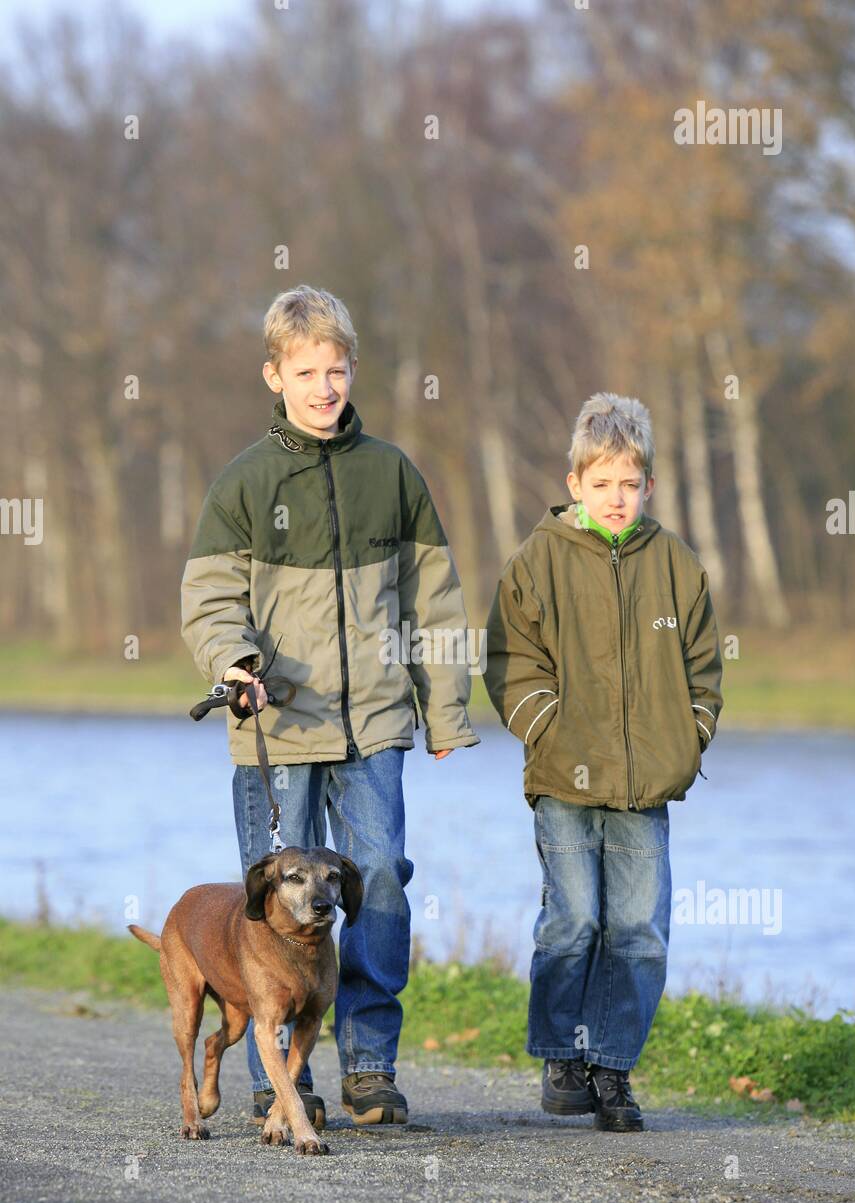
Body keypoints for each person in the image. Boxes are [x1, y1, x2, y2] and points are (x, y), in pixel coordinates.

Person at [180, 284, 478, 1128]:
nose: (323, 386)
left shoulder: (392, 473)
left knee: (378, 878)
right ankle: (277, 1077)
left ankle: (370, 1065)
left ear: (352, 371)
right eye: (305, 371)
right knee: (273, 908)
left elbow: (438, 603)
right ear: (273, 375)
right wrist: (233, 661)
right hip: (276, 727)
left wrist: (446, 711)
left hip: (375, 726)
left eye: (336, 369)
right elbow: (208, 599)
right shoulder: (243, 482)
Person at [483, 392, 723, 1131]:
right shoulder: (537, 560)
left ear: (647, 485)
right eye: (601, 483)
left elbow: (705, 666)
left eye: (629, 483)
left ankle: (612, 1068)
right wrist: (546, 728)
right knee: (576, 919)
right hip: (563, 778)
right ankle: (562, 1055)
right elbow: (508, 662)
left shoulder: (676, 565)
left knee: (639, 929)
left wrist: (689, 735)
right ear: (574, 483)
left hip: (646, 784)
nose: (616, 498)